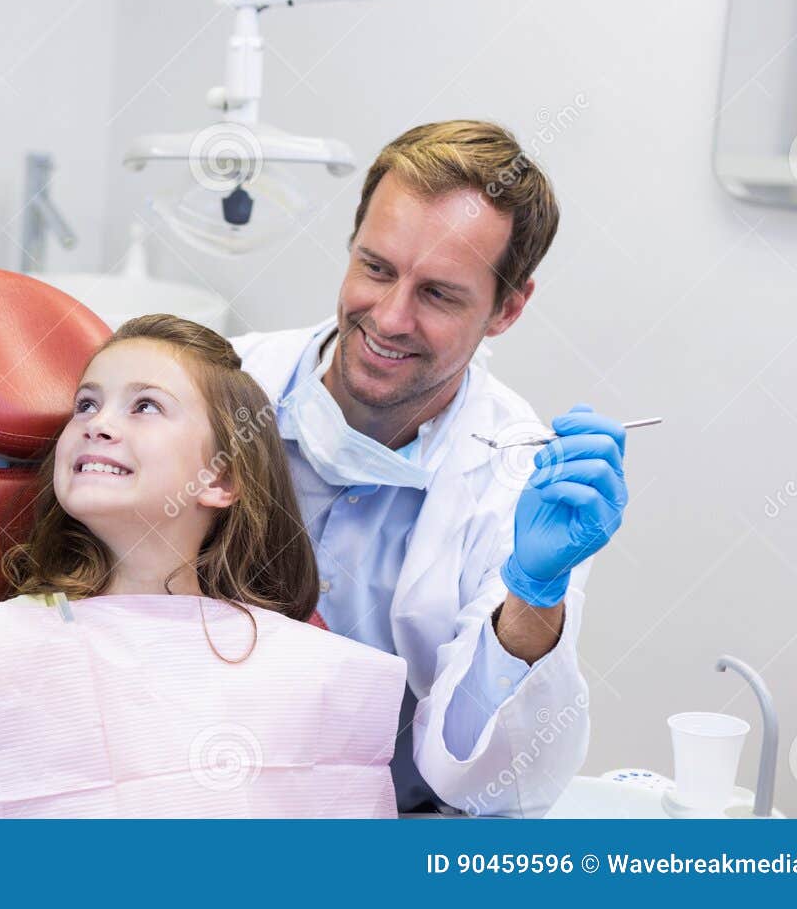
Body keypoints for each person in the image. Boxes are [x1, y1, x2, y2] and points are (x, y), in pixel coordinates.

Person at [234, 120, 630, 817]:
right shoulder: (224, 386)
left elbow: (491, 779)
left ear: (508, 307)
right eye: (376, 268)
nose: (389, 317)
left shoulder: (521, 482)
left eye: (439, 294)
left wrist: (534, 596)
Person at [0, 315, 407, 818]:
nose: (98, 423)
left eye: (145, 406)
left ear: (219, 477)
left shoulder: (309, 665)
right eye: (86, 404)